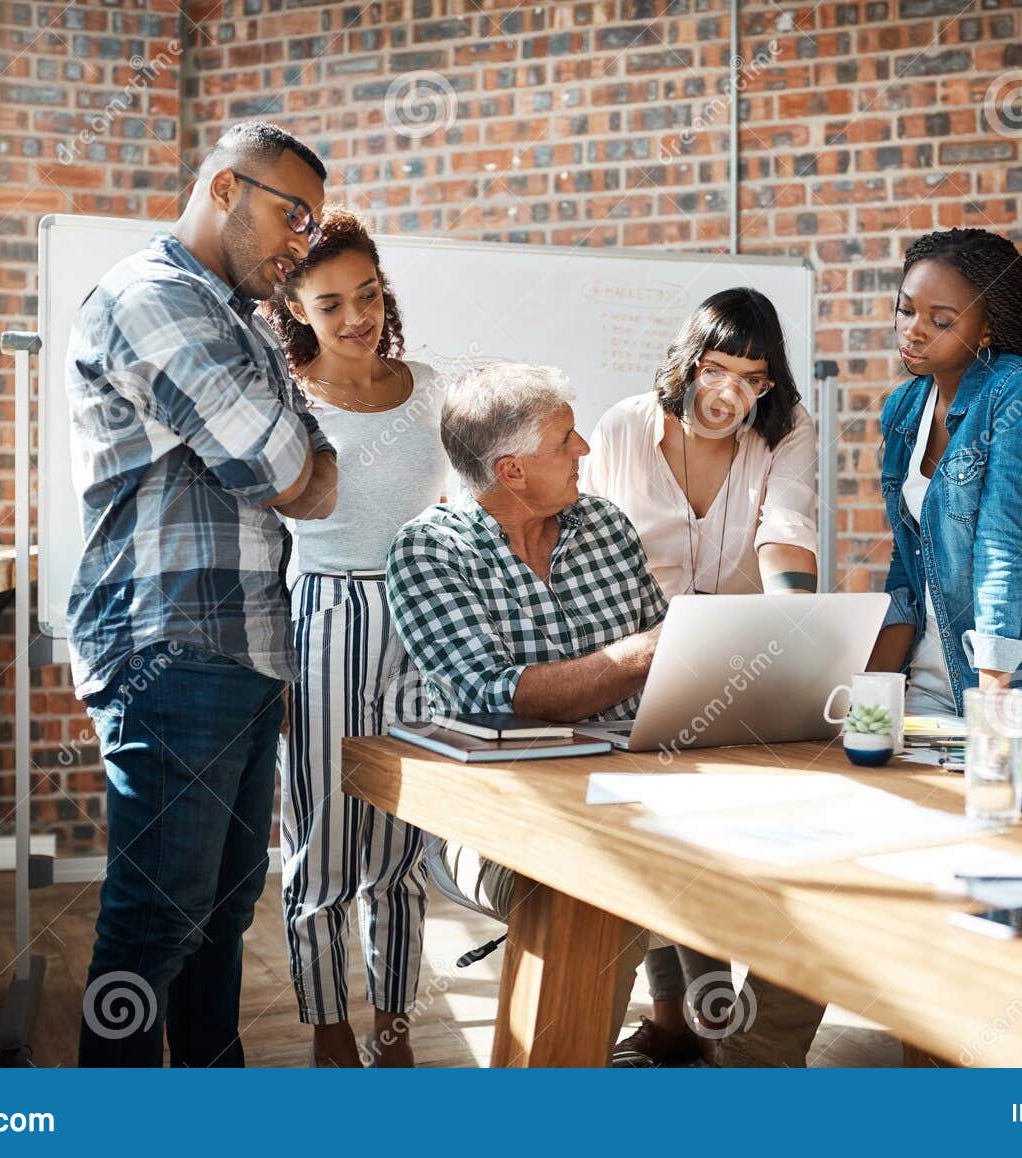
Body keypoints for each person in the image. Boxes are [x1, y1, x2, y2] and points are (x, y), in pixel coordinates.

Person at [66, 121, 337, 1067]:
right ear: (226, 189)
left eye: (313, 222)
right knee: (156, 925)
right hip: (170, 649)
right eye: (290, 213)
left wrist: (299, 462)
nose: (303, 241)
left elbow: (315, 473)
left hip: (248, 649)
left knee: (220, 924)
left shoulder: (245, 323)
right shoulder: (153, 297)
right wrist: (295, 462)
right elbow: (279, 462)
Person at [385, 363, 669, 1050]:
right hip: (494, 820)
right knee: (599, 887)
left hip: (636, 794)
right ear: (511, 472)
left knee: (781, 869)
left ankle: (749, 1069)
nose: (585, 452)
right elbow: (494, 696)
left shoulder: (604, 525)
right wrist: (645, 653)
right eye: (566, 439)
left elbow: (670, 661)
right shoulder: (427, 550)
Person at [581, 287, 824, 1067]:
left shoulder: (787, 430)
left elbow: (786, 533)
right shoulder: (625, 427)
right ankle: (683, 1016)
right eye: (717, 370)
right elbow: (587, 549)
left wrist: (797, 631)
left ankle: (729, 1035)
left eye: (752, 378)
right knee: (658, 839)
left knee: (752, 838)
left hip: (742, 663)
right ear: (688, 363)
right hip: (637, 664)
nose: (730, 394)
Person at [258, 207, 448, 1068]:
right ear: (296, 308)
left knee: (404, 847)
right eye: (331, 303)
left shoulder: (433, 388)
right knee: (324, 840)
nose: (356, 316)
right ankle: (330, 1028)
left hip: (417, 615)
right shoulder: (286, 397)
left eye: (367, 294)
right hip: (323, 614)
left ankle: (394, 1028)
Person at [867, 227, 1022, 728]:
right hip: (930, 672)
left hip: (1021, 673)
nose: (914, 330)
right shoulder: (903, 408)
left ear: (986, 329)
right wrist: (871, 686)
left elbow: (1001, 543)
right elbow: (908, 562)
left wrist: (994, 692)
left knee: (1002, 799)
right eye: (905, 309)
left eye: (941, 320)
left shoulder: (1018, 391)